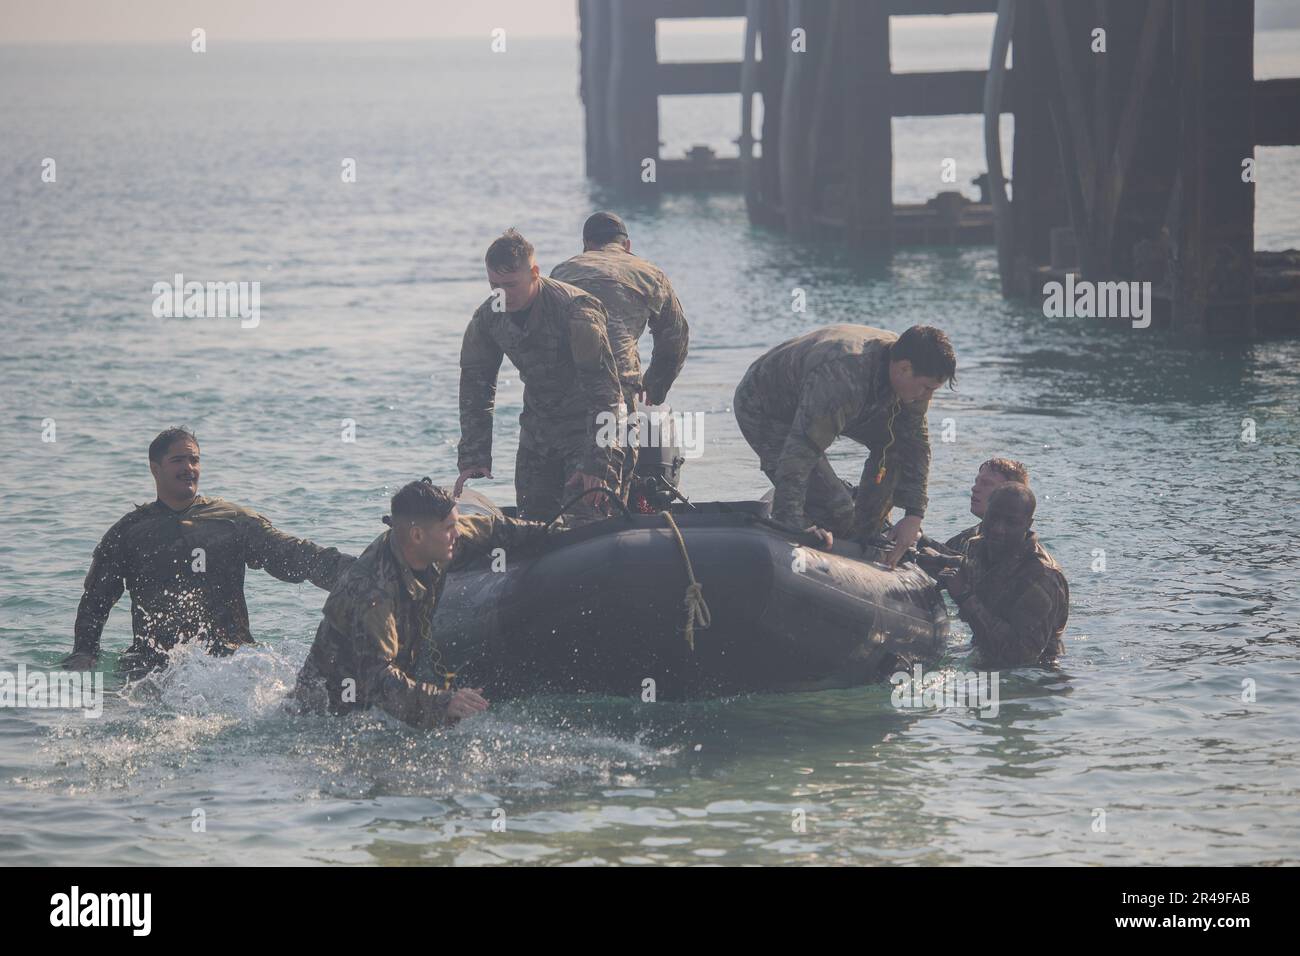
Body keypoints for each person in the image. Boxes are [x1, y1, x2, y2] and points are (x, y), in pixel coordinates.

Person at [64, 428, 354, 676]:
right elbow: (96, 601)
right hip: (151, 664)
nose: (189, 468)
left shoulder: (231, 521)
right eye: (178, 460)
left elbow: (293, 555)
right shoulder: (128, 532)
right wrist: (84, 652)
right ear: (155, 468)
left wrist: (356, 573)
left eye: (194, 460)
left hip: (228, 660)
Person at [292, 479, 559, 727]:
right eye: (449, 529)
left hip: (388, 686)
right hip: (330, 710)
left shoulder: (440, 540)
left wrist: (560, 533)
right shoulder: (372, 592)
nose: (457, 533)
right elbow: (377, 678)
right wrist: (444, 702)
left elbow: (493, 530)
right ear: (417, 536)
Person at [733, 324, 956, 564]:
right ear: (903, 369)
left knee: (897, 446)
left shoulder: (911, 379)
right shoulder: (840, 376)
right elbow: (801, 451)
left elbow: (916, 446)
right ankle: (817, 522)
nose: (928, 397)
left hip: (854, 399)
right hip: (766, 406)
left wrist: (914, 515)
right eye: (927, 388)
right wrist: (790, 527)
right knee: (836, 512)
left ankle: (868, 532)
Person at [455, 228, 623, 521]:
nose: (502, 294)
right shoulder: (488, 317)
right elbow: (475, 386)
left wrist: (598, 464)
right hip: (539, 431)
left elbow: (606, 394)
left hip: (589, 432)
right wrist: (474, 456)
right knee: (533, 523)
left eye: (510, 284)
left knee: (585, 522)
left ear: (534, 272)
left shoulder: (575, 311)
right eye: (494, 284)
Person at [550, 211, 690, 498]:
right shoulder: (650, 274)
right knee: (609, 486)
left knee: (562, 480)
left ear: (586, 245)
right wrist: (656, 386)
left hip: (566, 391)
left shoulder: (562, 272)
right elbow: (675, 336)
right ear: (627, 245)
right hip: (619, 392)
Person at [936, 483, 1068, 667]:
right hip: (981, 655)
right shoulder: (983, 547)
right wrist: (937, 559)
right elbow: (974, 571)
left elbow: (1020, 656)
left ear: (1027, 525)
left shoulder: (1043, 577)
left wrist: (964, 597)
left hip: (1033, 677)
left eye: (1011, 522)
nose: (998, 529)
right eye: (993, 518)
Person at [926, 457, 1030, 558]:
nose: (974, 488)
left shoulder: (1021, 550)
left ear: (1011, 495)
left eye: (986, 484)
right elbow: (947, 554)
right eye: (977, 482)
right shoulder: (966, 539)